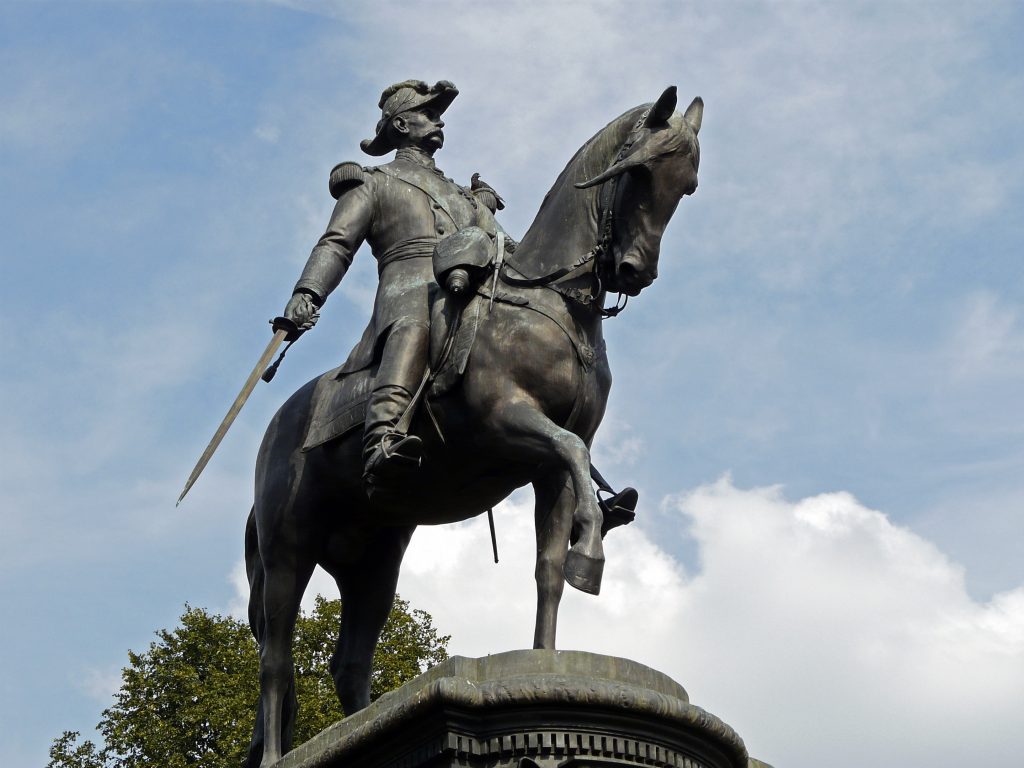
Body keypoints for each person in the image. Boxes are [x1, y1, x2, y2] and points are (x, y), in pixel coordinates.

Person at [282, 79, 502, 485]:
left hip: (472, 285)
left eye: (439, 117)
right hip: (410, 284)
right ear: (401, 125)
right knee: (413, 326)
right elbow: (337, 244)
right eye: (429, 115)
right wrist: (307, 292)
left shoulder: (465, 196)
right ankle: (381, 435)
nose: (439, 123)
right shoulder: (373, 181)